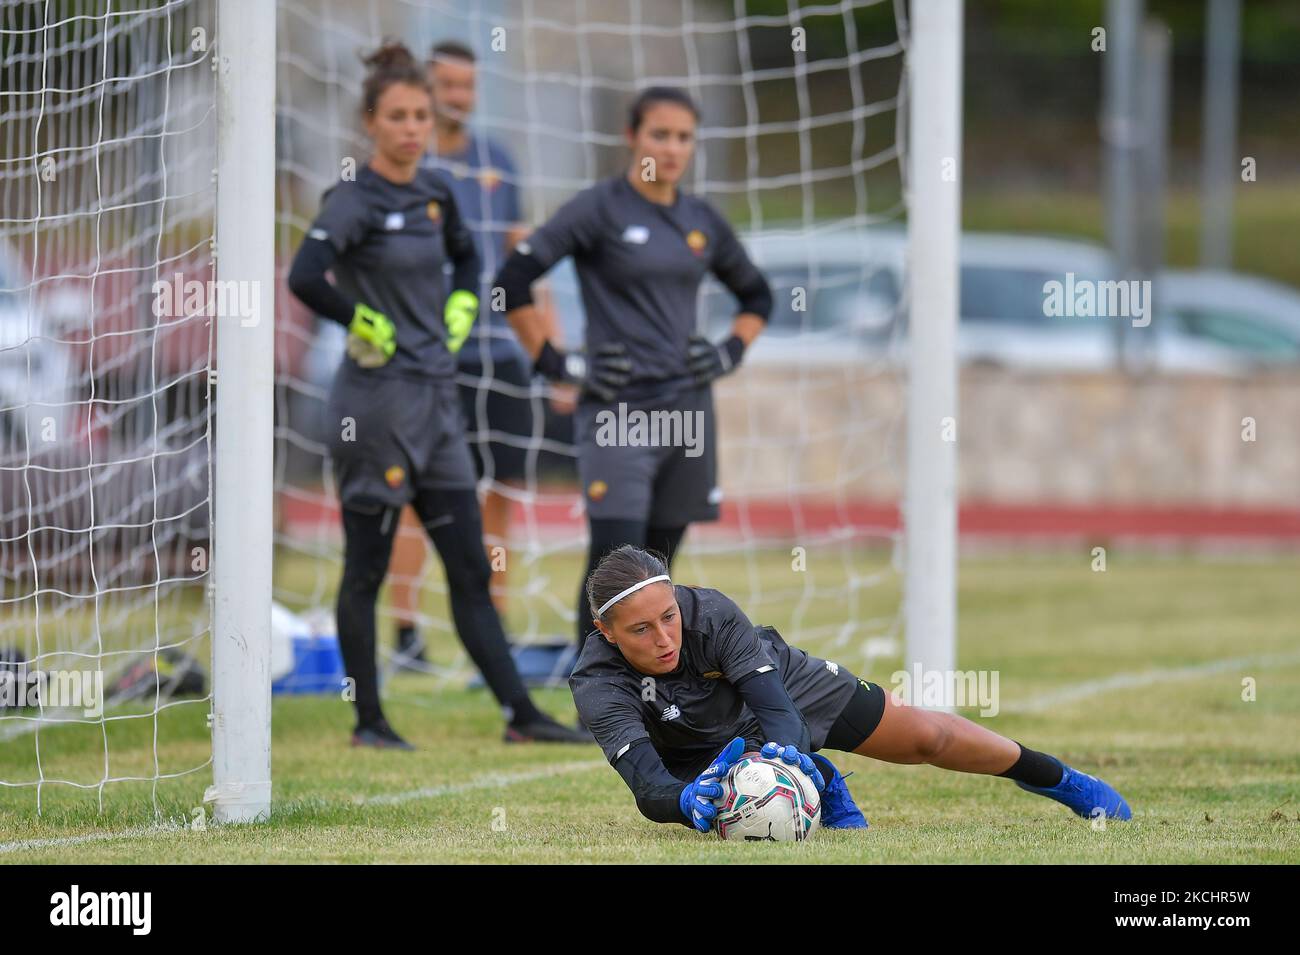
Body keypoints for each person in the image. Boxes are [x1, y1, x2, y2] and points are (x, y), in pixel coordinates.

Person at [286, 40, 588, 747]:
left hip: (437, 407)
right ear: (371, 122)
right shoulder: (353, 199)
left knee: (470, 568)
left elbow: (467, 257)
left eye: (421, 114)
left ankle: (522, 714)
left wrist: (460, 307)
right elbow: (305, 275)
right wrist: (359, 320)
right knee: (366, 566)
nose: (413, 127)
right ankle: (370, 721)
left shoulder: (438, 192)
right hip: (375, 408)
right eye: (398, 115)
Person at [569, 545, 1134, 831]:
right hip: (703, 750)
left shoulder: (711, 614)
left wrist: (787, 754)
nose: (665, 637)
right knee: (724, 813)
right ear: (606, 632)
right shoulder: (598, 683)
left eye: (669, 616)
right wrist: (685, 801)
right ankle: (827, 786)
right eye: (642, 630)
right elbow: (647, 786)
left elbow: (777, 709)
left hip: (780, 687)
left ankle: (1061, 780)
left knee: (928, 739)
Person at [493, 86, 772, 654]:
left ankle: (655, 697)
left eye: (683, 137)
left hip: (688, 413)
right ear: (632, 137)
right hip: (618, 412)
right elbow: (511, 282)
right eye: (659, 135)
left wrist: (728, 353)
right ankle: (593, 696)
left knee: (659, 574)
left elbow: (758, 295)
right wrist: (557, 363)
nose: (671, 148)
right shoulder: (599, 209)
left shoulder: (700, 221)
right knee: (615, 568)